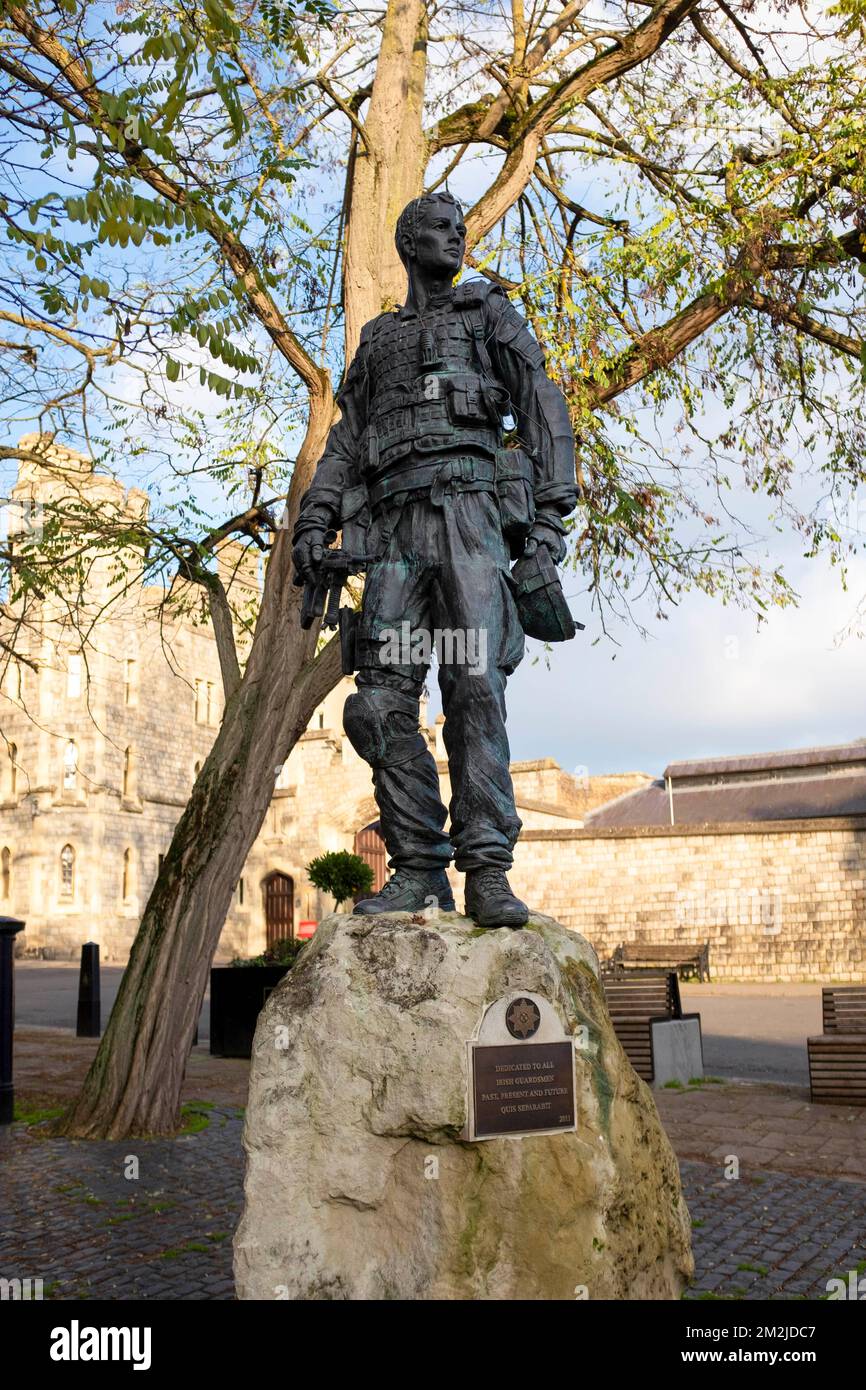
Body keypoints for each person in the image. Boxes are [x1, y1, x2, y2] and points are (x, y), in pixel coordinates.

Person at [292, 191, 577, 927]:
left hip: (469, 519)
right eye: (442, 230)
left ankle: (487, 866)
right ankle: (418, 865)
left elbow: (543, 406)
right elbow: (347, 443)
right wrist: (315, 522)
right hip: (391, 539)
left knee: (474, 683)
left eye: (461, 230)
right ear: (409, 243)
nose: (457, 239)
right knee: (377, 704)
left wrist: (547, 523)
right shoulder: (377, 343)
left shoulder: (488, 317)